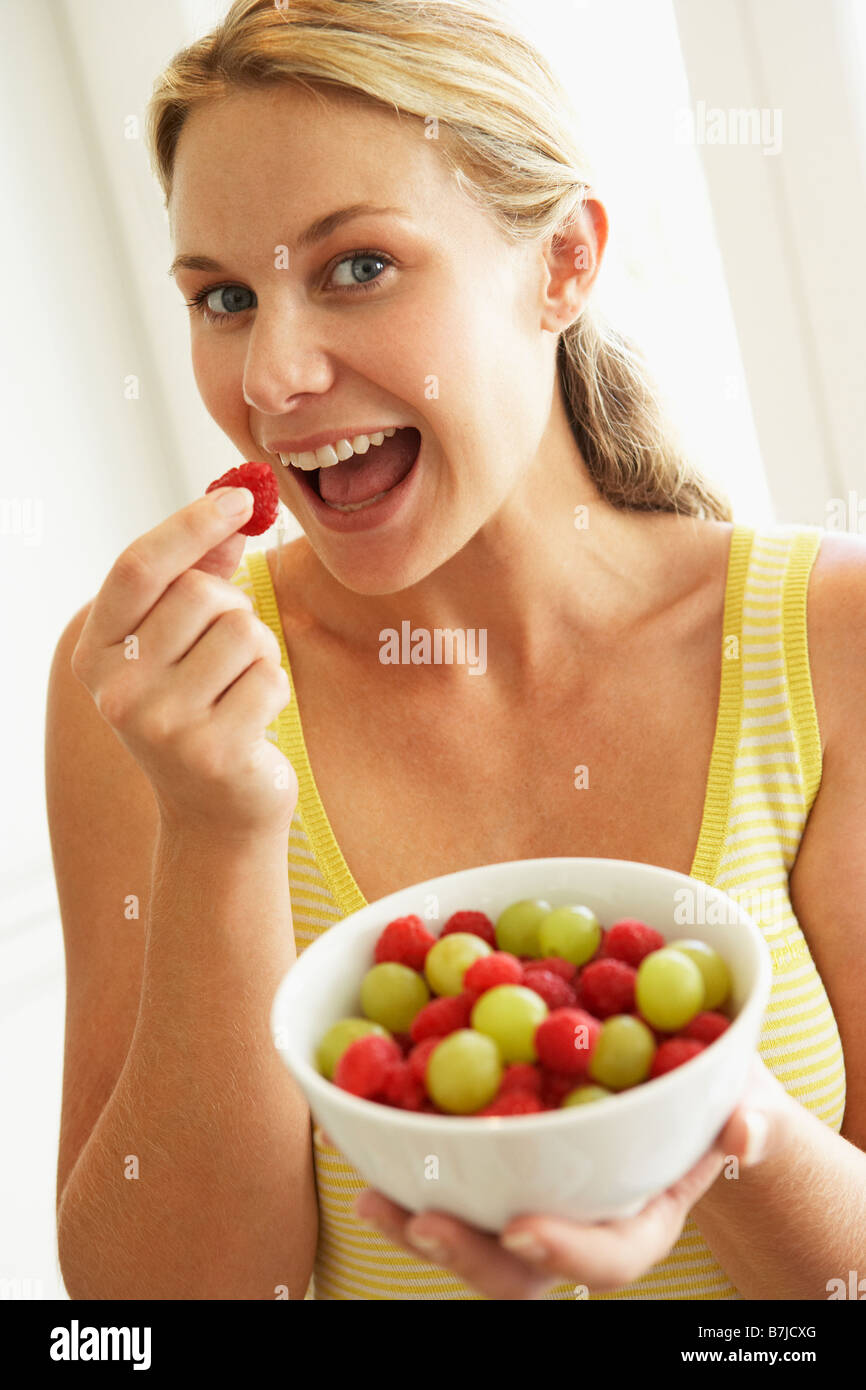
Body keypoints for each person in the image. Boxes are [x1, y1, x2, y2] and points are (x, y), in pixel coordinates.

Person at [48, 0, 866, 1301]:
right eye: (222, 296)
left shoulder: (832, 637)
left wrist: (694, 1118)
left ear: (562, 264)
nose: (269, 374)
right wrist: (216, 827)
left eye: (355, 266)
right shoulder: (143, 686)